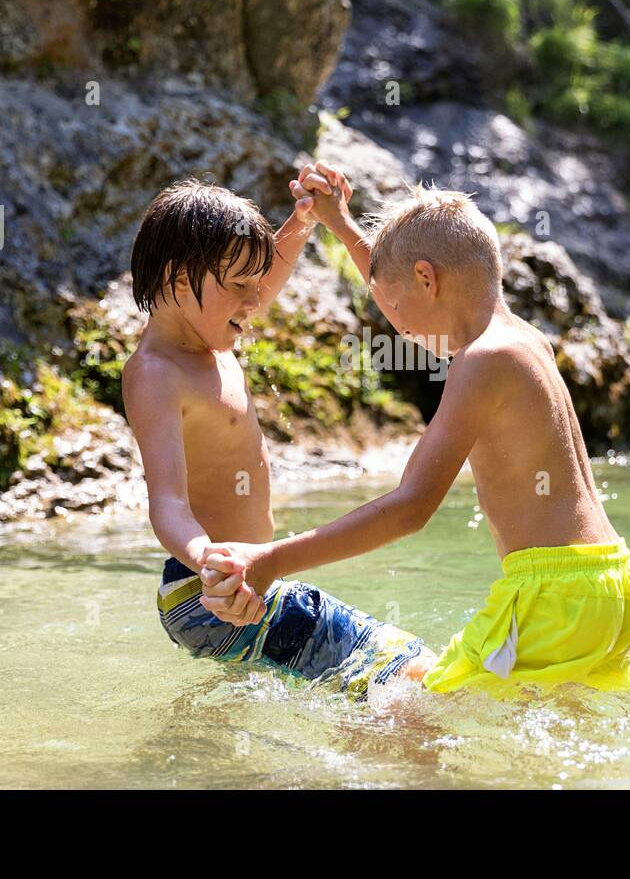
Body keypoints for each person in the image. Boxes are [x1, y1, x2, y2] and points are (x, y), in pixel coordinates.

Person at [200, 165, 630, 699]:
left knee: (412, 713)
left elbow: (412, 507)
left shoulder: (480, 363)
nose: (397, 326)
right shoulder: (523, 341)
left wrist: (271, 560)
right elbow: (400, 284)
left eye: (395, 311)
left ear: (428, 280)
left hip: (553, 595)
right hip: (609, 583)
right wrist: (340, 223)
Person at [123, 176, 437, 701]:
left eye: (256, 283)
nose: (256, 299)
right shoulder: (157, 372)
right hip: (210, 589)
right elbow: (168, 504)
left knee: (282, 693)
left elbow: (266, 279)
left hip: (232, 587)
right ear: (180, 281)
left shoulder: (209, 335)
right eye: (241, 286)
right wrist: (209, 561)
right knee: (406, 672)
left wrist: (305, 220)